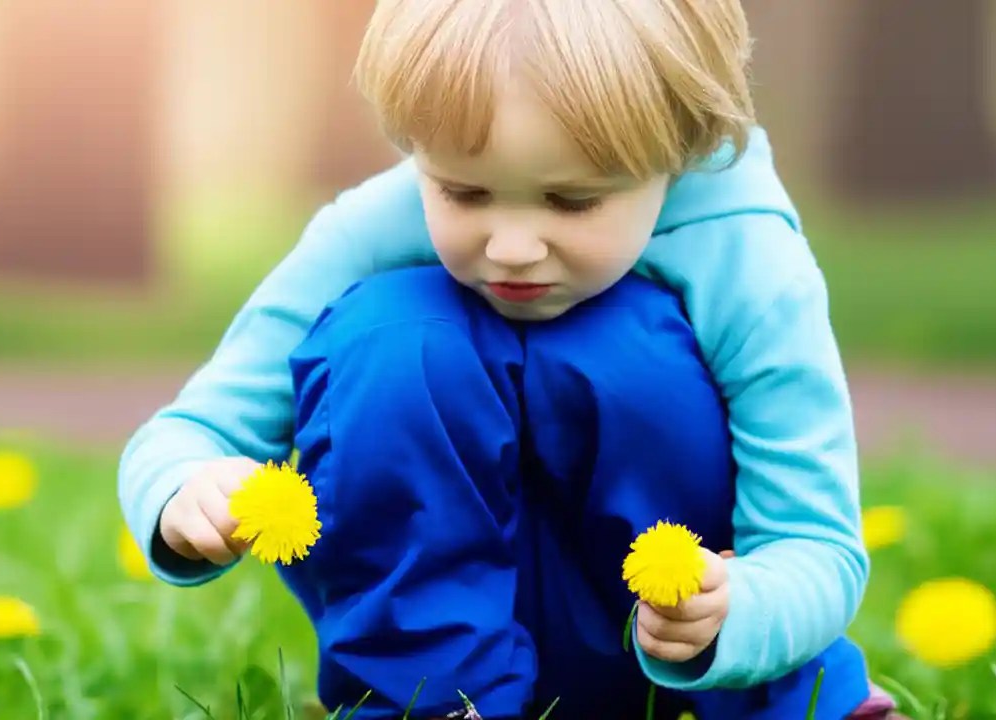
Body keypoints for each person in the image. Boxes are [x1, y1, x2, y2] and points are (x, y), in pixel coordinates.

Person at [120, 1, 900, 717]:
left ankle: (790, 704)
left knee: (624, 347)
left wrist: (741, 608)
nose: (513, 247)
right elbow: (191, 430)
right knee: (392, 336)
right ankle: (437, 702)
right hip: (453, 643)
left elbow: (819, 545)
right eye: (463, 192)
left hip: (671, 646)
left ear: (682, 144)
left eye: (572, 201)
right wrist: (184, 490)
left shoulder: (747, 260)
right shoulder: (370, 230)